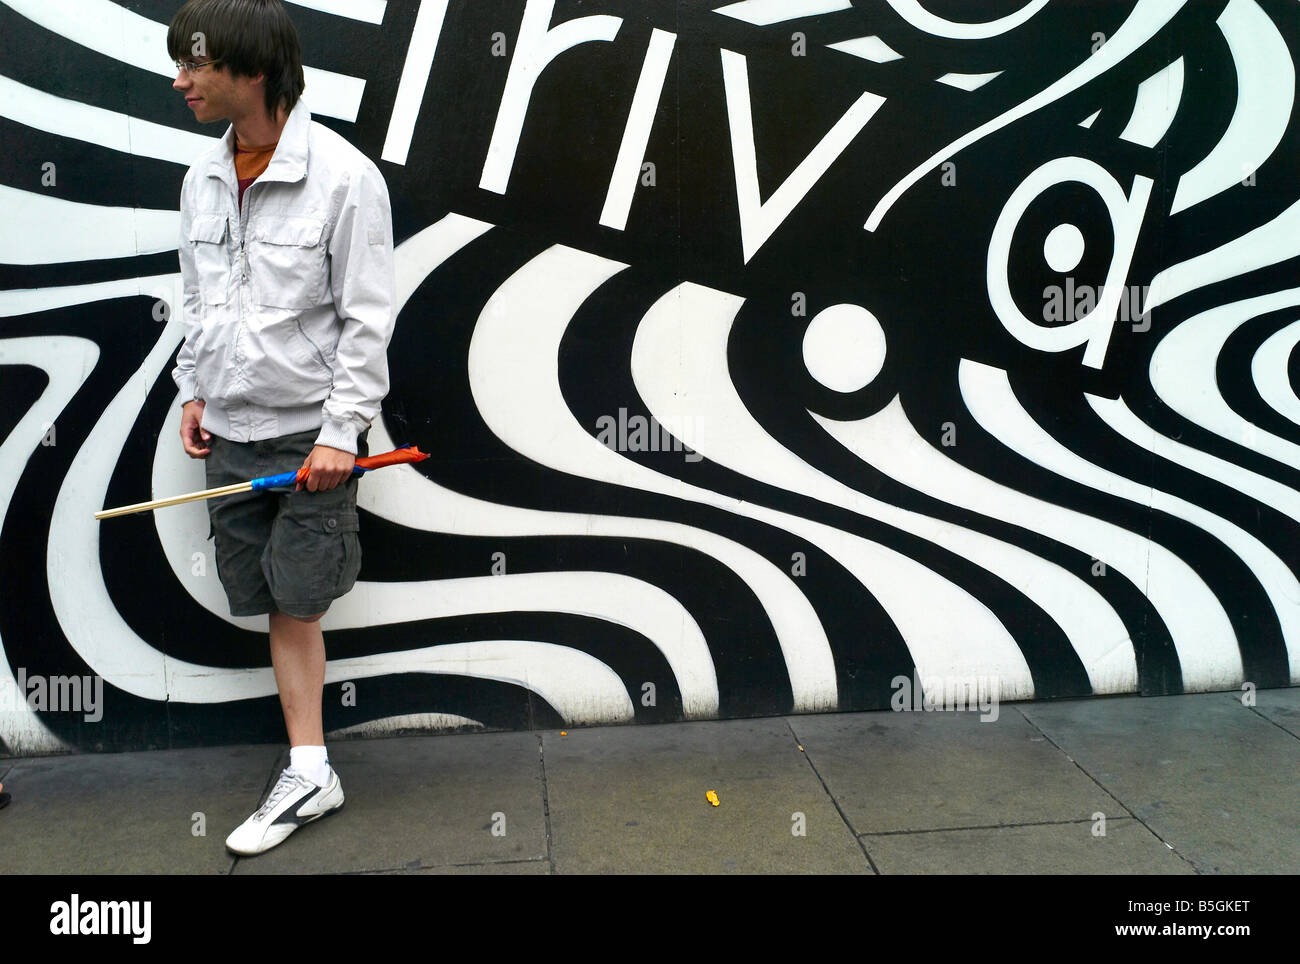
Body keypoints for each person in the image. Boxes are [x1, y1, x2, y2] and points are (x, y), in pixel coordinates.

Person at [168, 0, 395, 856]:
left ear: (252, 71)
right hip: (228, 428)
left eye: (195, 65)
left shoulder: (343, 177)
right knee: (263, 597)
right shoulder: (199, 178)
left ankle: (309, 768)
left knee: (299, 601)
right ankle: (311, 762)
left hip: (311, 442)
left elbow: (368, 320)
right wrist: (193, 390)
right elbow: (199, 298)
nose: (179, 80)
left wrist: (342, 432)